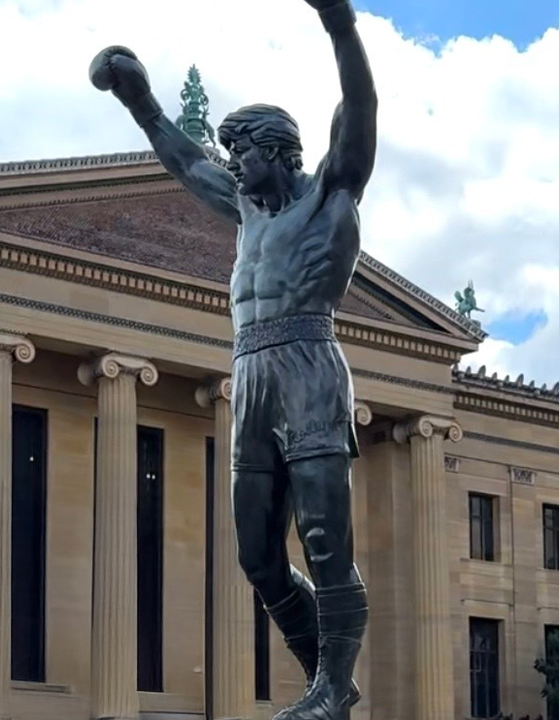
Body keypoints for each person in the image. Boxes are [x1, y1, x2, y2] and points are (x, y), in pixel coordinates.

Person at [90, 2, 376, 718]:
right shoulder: (248, 210)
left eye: (242, 154)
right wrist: (140, 100)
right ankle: (329, 683)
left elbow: (358, 106)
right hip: (249, 374)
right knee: (258, 557)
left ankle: (330, 690)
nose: (233, 167)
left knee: (323, 542)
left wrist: (338, 23)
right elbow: (186, 162)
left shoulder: (332, 193)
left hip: (308, 363)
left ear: (275, 152)